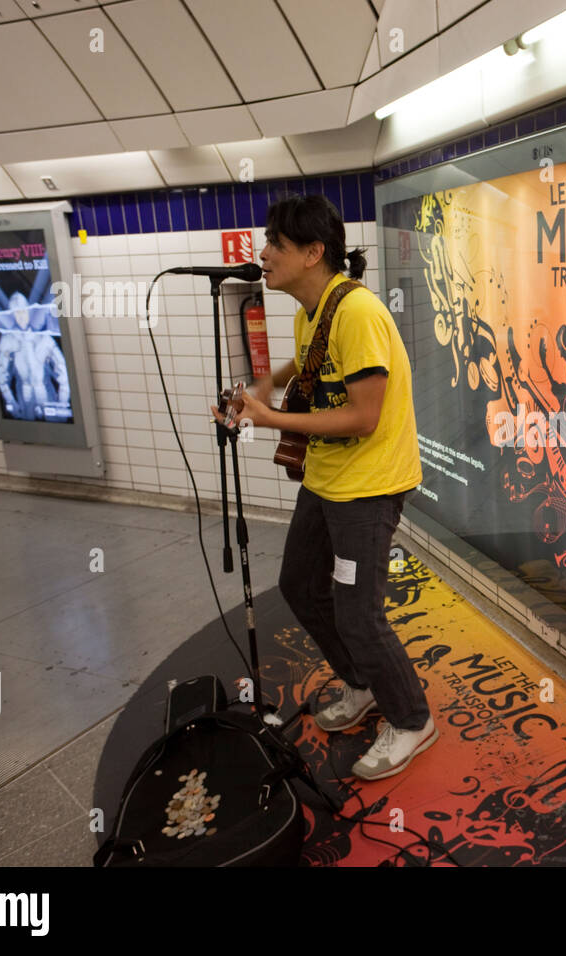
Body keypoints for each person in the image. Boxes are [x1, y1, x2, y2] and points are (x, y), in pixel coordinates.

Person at [212, 194, 434, 781]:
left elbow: (364, 416)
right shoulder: (312, 309)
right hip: (328, 478)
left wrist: (272, 419)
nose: (263, 255)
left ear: (314, 253)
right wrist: (259, 389)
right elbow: (303, 364)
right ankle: (362, 684)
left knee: (359, 614)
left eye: (276, 246)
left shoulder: (358, 314)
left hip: (369, 486)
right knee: (301, 585)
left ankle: (412, 719)